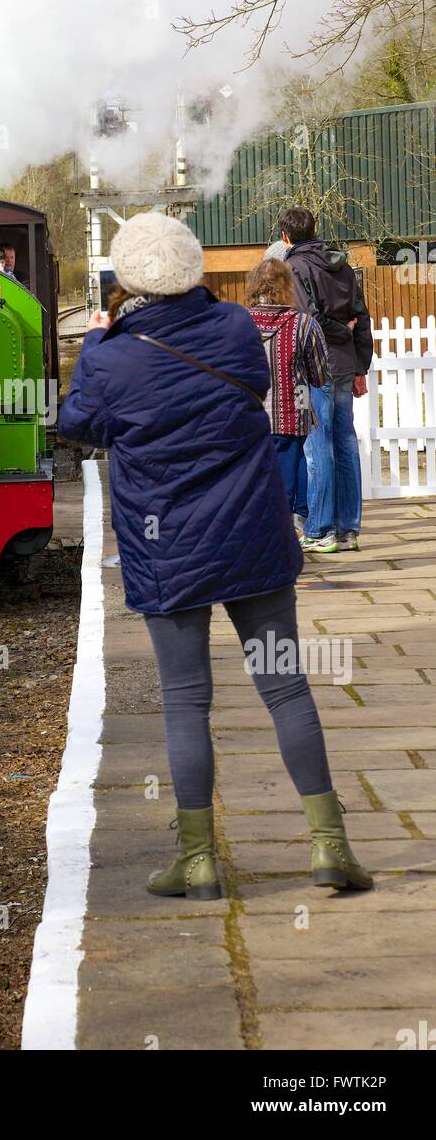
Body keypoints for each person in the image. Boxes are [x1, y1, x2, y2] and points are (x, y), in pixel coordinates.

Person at [58, 210, 371, 900]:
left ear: (128, 278)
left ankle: (198, 861)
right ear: (194, 267)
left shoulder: (111, 357)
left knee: (184, 701)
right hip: (253, 532)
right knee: (286, 686)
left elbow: (77, 426)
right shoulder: (233, 325)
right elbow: (252, 390)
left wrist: (103, 346)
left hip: (167, 545)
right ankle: (331, 847)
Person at [279, 207, 373, 554]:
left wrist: (337, 331)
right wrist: (361, 364)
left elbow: (309, 320)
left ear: (286, 237)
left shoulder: (293, 268)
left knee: (317, 445)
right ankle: (349, 529)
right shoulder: (343, 264)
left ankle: (320, 530)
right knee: (345, 443)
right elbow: (361, 316)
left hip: (315, 367)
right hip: (346, 364)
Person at [244, 258, 328, 531]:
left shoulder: (240, 322)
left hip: (250, 414)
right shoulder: (304, 324)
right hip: (293, 409)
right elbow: (319, 375)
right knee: (296, 461)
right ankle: (294, 519)